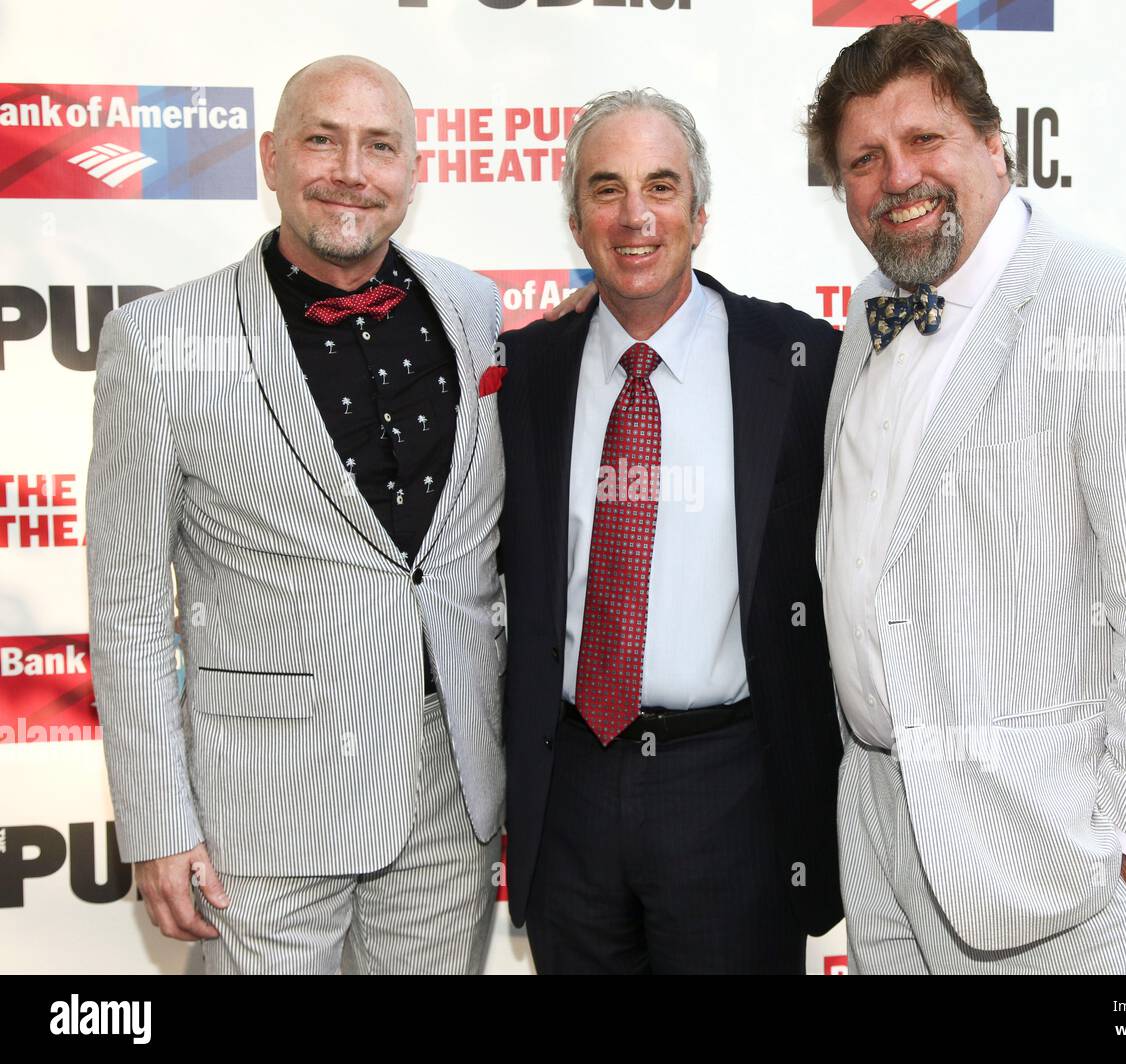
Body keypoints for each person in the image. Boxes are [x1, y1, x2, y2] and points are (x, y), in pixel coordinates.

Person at [805, 18, 1126, 974]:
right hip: (876, 829)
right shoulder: (868, 317)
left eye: (925, 139)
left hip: (1036, 858)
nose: (898, 177)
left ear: (995, 144)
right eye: (865, 159)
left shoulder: (1107, 307)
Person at [87, 56, 506, 974]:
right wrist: (157, 822)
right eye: (323, 139)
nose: (351, 171)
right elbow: (125, 610)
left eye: (379, 146)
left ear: (413, 172)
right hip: (263, 808)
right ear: (271, 156)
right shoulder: (159, 342)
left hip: (448, 792)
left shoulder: (475, 308)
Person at [497, 89, 843, 974]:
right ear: (576, 223)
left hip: (734, 793)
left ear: (700, 213)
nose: (636, 216)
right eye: (606, 189)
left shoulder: (800, 361)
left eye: (661, 186)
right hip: (569, 788)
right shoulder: (525, 371)